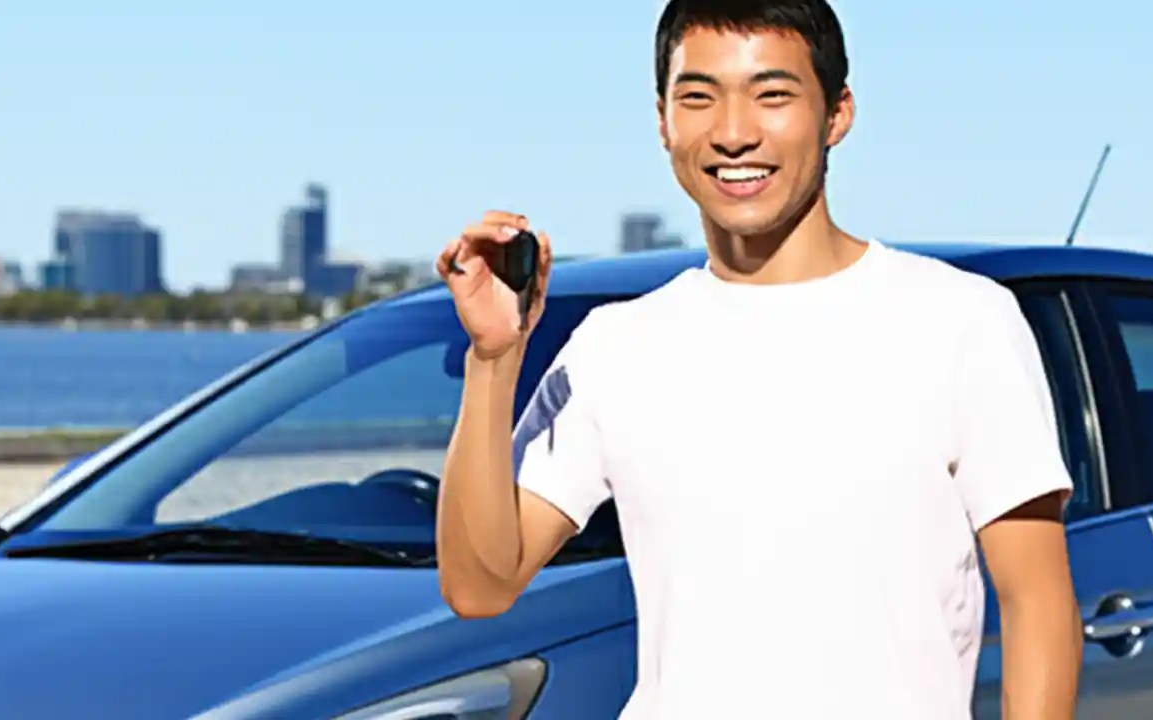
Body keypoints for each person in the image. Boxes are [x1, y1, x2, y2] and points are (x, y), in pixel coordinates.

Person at [434, 0, 1082, 717]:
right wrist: (493, 358)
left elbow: (1037, 603)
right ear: (662, 121)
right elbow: (480, 586)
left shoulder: (961, 321)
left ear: (837, 113)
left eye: (771, 95)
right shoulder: (614, 347)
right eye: (698, 97)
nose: (734, 133)